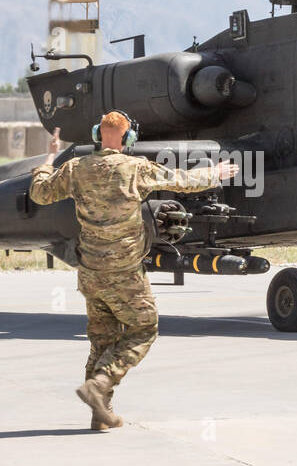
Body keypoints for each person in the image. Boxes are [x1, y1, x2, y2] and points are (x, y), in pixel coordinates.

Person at [29, 111, 239, 430]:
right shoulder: (135, 168)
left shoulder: (75, 169)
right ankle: (100, 387)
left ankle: (101, 413)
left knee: (102, 341)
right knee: (144, 330)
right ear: (128, 140)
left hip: (90, 272)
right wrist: (215, 173)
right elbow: (180, 181)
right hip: (125, 272)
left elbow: (40, 192)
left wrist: (50, 155)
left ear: (98, 134)